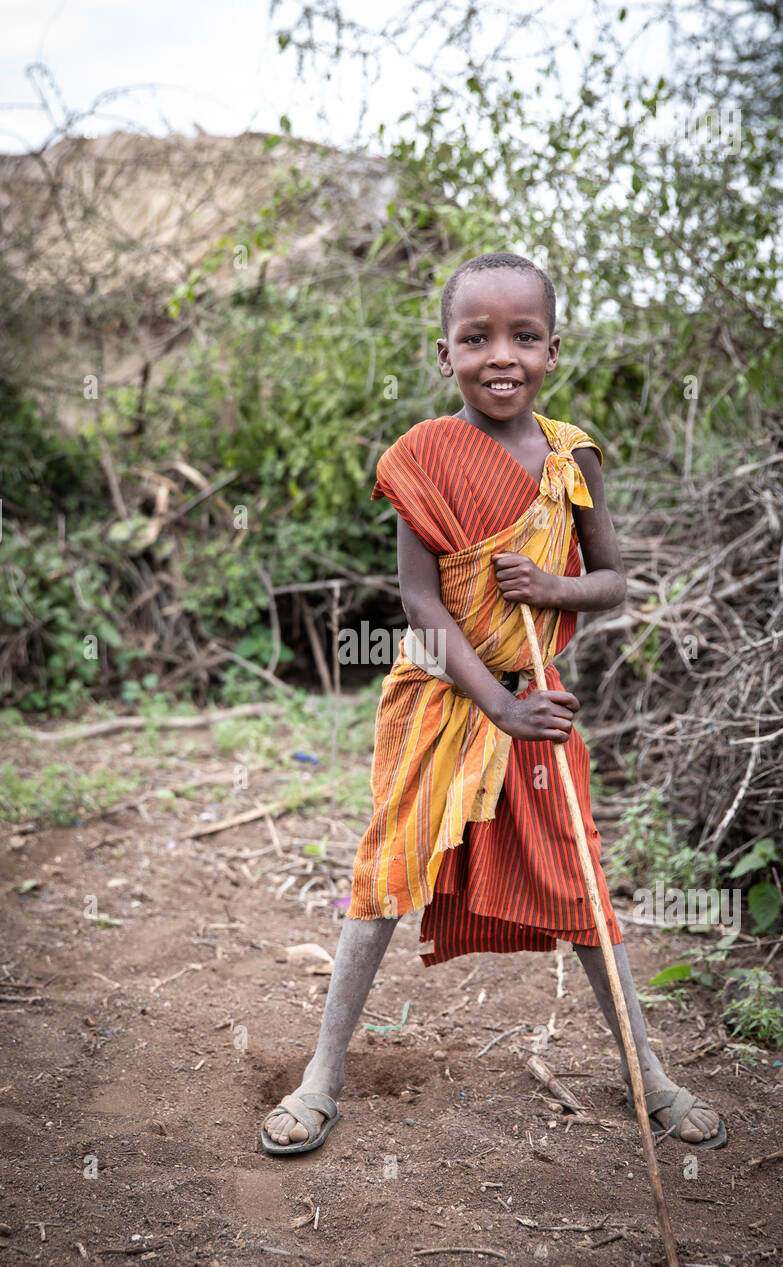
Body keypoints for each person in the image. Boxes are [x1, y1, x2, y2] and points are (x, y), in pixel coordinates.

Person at [260, 252, 727, 1155]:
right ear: (445, 356)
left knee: (580, 882)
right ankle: (321, 1075)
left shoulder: (570, 457)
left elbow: (614, 582)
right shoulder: (422, 461)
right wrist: (495, 709)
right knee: (385, 876)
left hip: (537, 703)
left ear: (554, 350)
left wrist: (552, 587)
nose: (499, 355)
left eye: (521, 336)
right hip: (444, 701)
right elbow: (422, 609)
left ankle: (649, 1076)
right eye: (475, 338)